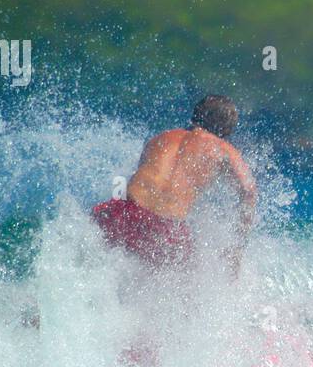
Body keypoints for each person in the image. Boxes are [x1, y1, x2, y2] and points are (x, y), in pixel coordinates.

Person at [92, 95, 256, 275]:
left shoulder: (161, 137)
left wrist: (115, 206)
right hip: (164, 228)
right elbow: (249, 192)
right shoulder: (224, 149)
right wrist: (237, 248)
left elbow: (133, 180)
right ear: (226, 130)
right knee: (190, 284)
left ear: (195, 116)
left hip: (122, 210)